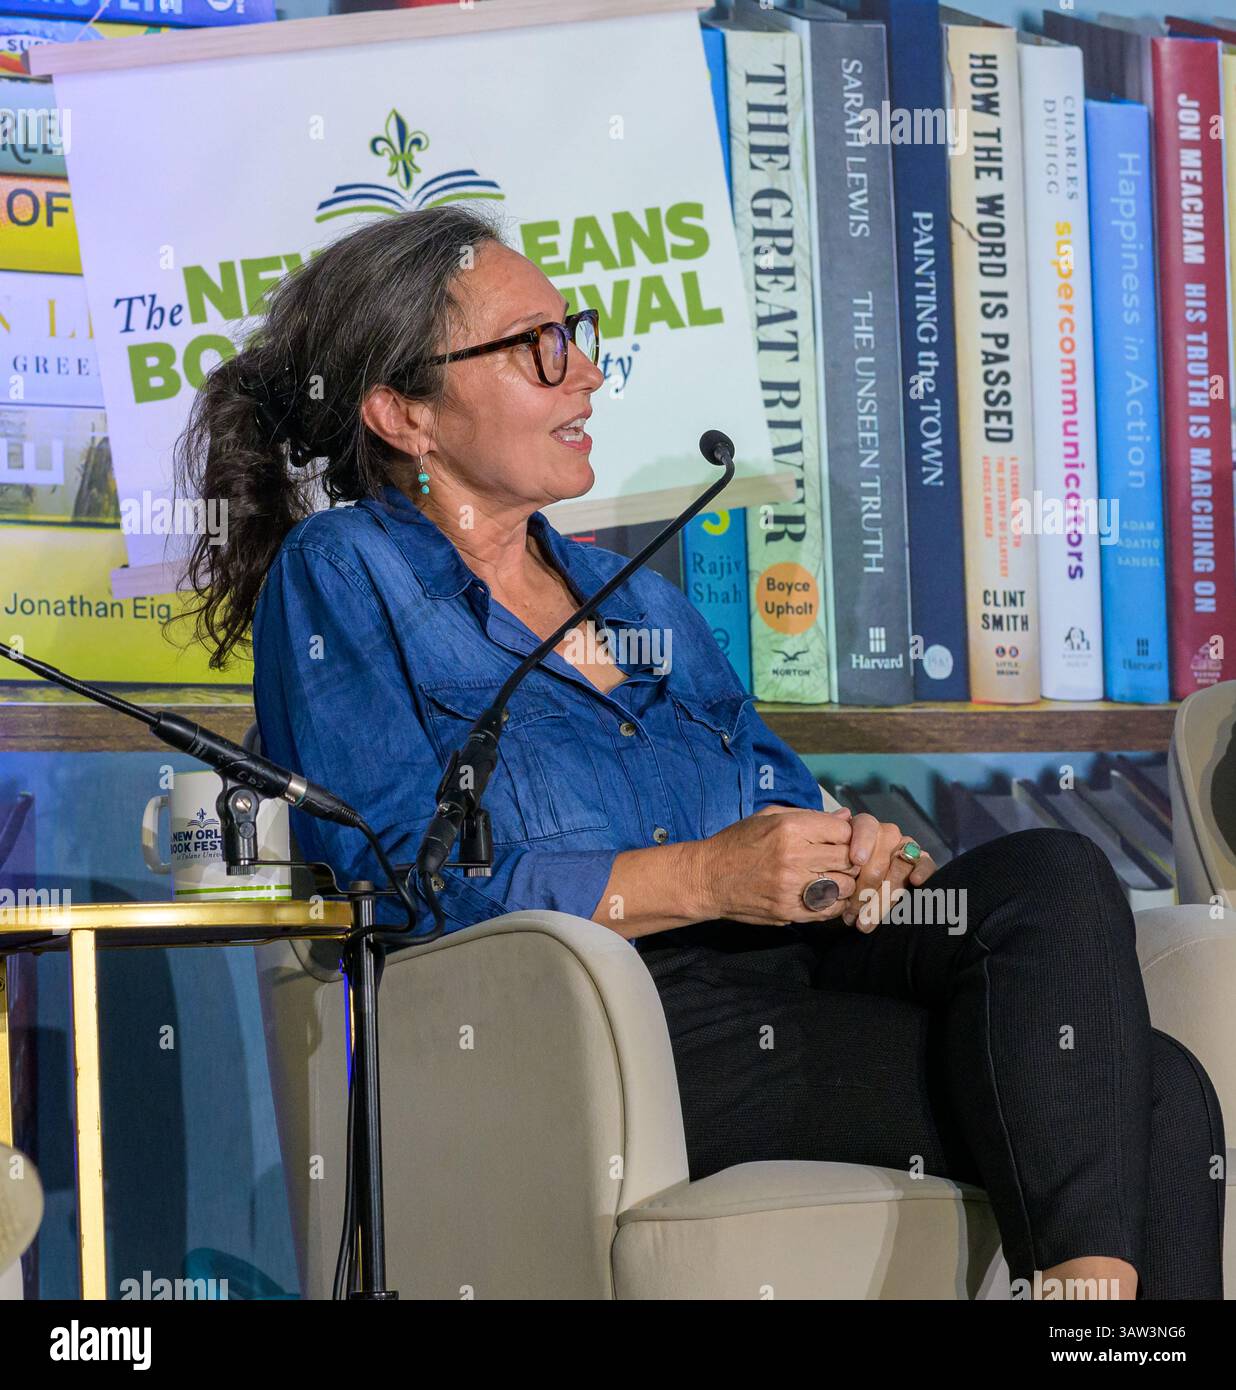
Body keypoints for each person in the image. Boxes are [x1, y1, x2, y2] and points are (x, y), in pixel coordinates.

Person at [173, 205, 1224, 1300]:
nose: (584, 372)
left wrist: (857, 854)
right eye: (537, 347)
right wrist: (709, 874)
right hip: (623, 1025)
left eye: (574, 332)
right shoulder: (344, 574)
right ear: (404, 413)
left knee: (1052, 876)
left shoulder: (641, 599)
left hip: (798, 965)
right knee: (1154, 1092)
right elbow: (400, 880)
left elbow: (777, 793)